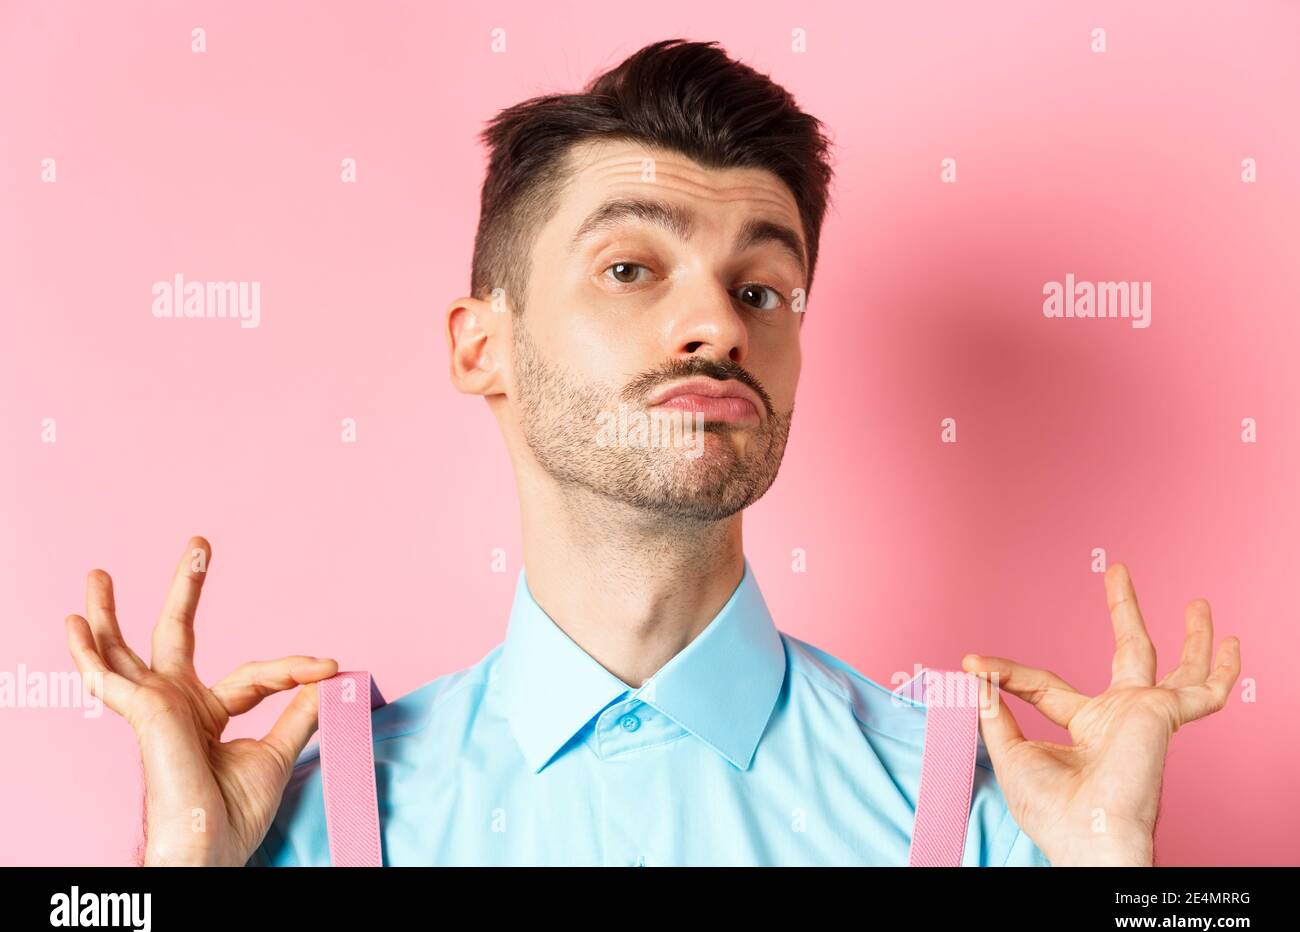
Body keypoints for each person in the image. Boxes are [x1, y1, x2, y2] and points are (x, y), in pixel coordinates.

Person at [66, 38, 1240, 867]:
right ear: (484, 346)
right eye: (631, 267)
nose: (719, 326)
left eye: (764, 287)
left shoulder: (987, 809)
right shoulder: (306, 819)